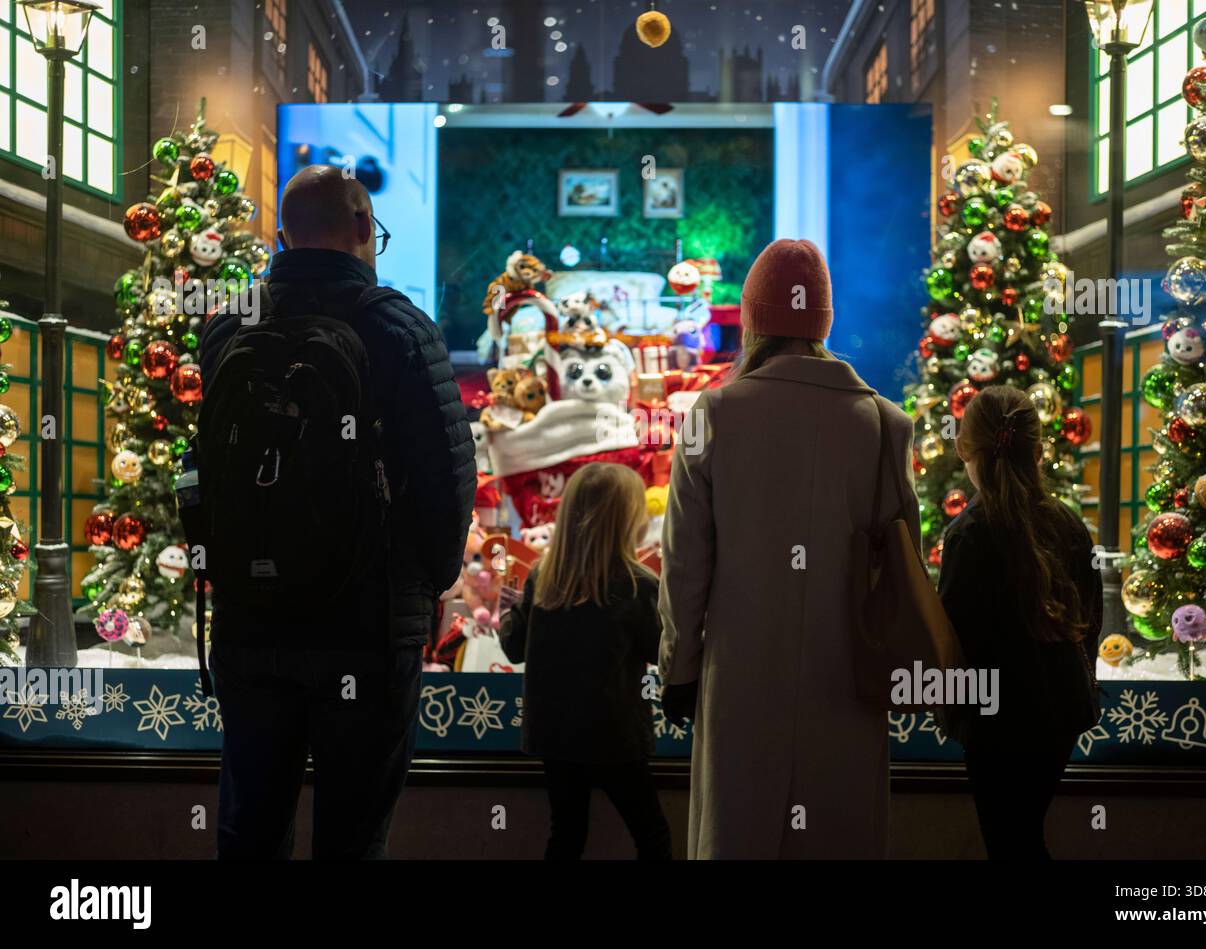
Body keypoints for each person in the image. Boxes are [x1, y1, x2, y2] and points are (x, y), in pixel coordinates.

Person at [199, 164, 476, 858]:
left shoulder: (232, 322)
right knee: (352, 838)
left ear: (284, 234)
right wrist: (429, 586)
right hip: (367, 626)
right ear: (361, 229)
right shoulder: (399, 329)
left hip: (252, 625)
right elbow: (447, 481)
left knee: (250, 831)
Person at [657, 238, 918, 859]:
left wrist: (678, 668)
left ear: (752, 320)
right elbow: (904, 568)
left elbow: (684, 563)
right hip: (849, 679)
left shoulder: (712, 415)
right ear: (823, 321)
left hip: (740, 681)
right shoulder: (885, 423)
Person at [939, 385, 1102, 860]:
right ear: (1039, 450)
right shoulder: (1069, 524)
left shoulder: (968, 534)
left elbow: (955, 640)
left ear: (962, 448)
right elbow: (1089, 622)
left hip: (996, 724)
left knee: (1011, 842)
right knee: (1022, 837)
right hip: (1059, 715)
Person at [498, 463, 672, 860]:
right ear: (628, 519)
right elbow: (662, 651)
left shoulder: (543, 576)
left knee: (566, 834)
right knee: (651, 833)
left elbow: (513, 647)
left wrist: (507, 612)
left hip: (555, 735)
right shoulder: (636, 583)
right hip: (615, 733)